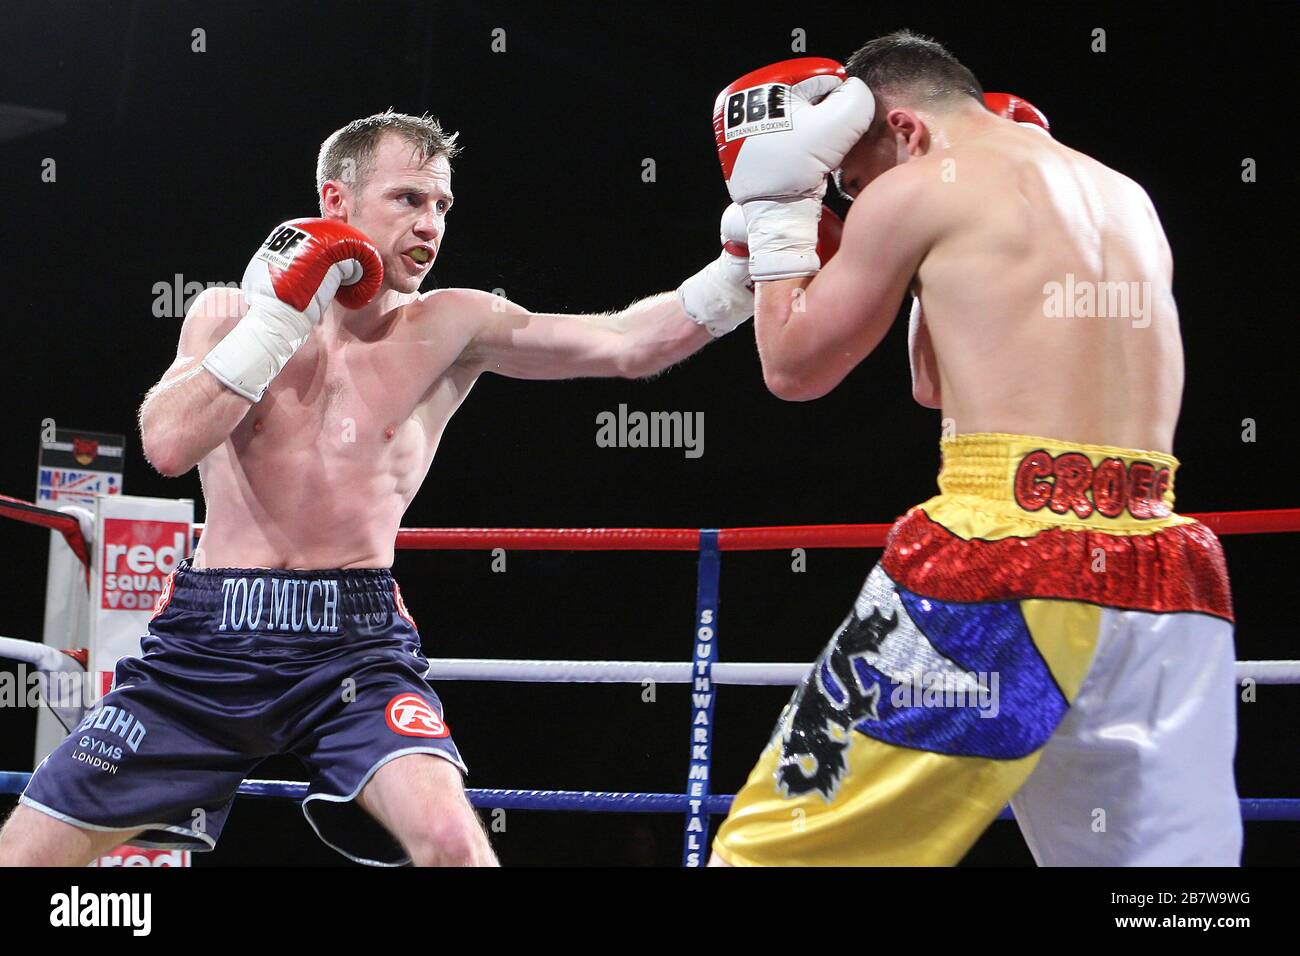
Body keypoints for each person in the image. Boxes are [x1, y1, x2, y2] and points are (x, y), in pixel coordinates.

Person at [0, 110, 756, 867]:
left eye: (442, 206)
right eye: (407, 200)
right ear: (336, 203)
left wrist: (748, 259)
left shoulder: (454, 324)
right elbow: (166, 444)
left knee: (454, 843)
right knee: (23, 856)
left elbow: (627, 344)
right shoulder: (225, 312)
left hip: (354, 649)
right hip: (205, 646)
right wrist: (277, 324)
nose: (431, 225)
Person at [710, 34, 1239, 866]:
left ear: (906, 131)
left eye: (850, 184)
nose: (852, 205)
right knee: (1160, 880)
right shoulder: (1122, 191)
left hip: (1005, 558)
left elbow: (793, 367)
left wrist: (780, 213)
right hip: (1169, 574)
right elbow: (935, 384)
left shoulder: (914, 187)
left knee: (773, 852)